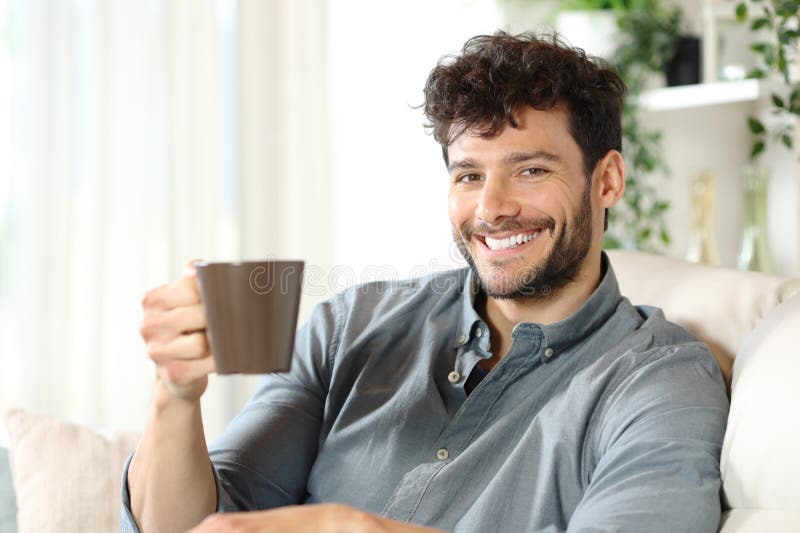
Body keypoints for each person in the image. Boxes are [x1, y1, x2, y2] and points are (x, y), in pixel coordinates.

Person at [122, 32, 729, 533]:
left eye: (530, 170)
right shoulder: (349, 328)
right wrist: (175, 393)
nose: (491, 208)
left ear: (608, 181)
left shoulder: (658, 379)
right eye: (469, 175)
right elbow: (191, 525)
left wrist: (350, 527)